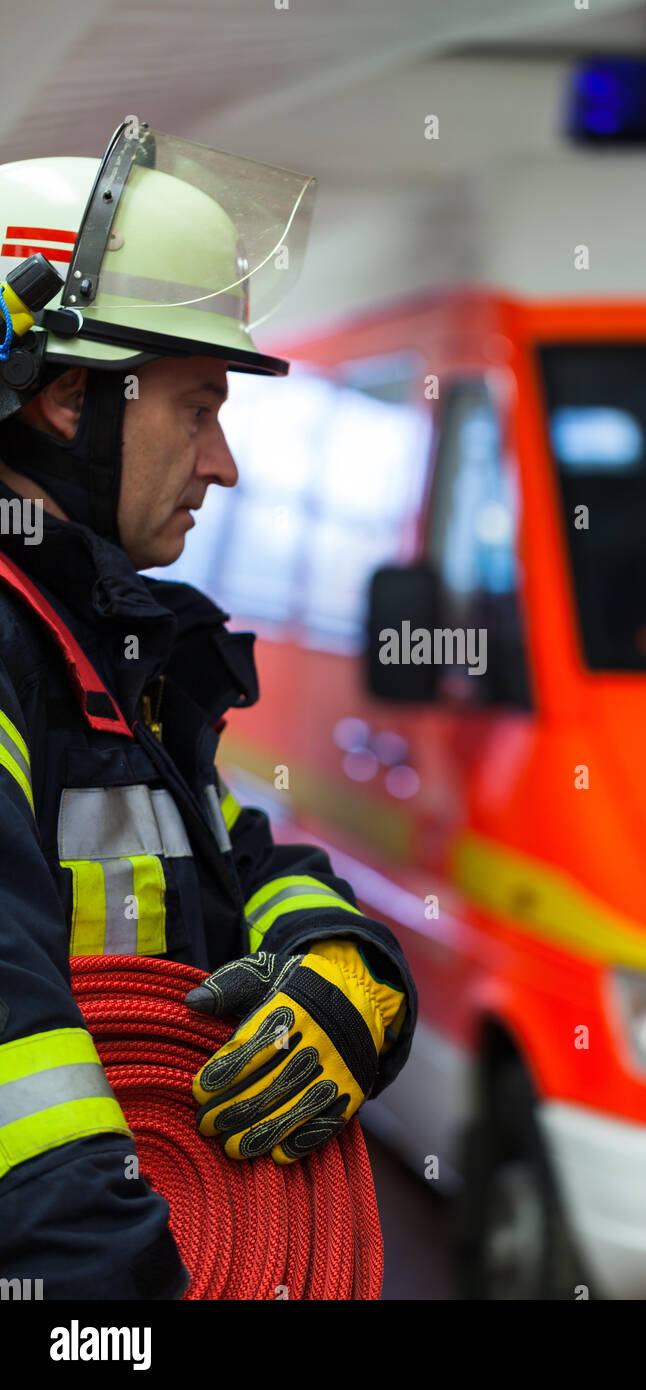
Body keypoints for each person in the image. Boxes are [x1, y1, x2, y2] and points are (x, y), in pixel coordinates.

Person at [0, 119, 417, 1299]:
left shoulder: (89, 643)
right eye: (196, 408)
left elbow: (226, 861)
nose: (222, 462)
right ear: (70, 400)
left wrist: (340, 962)